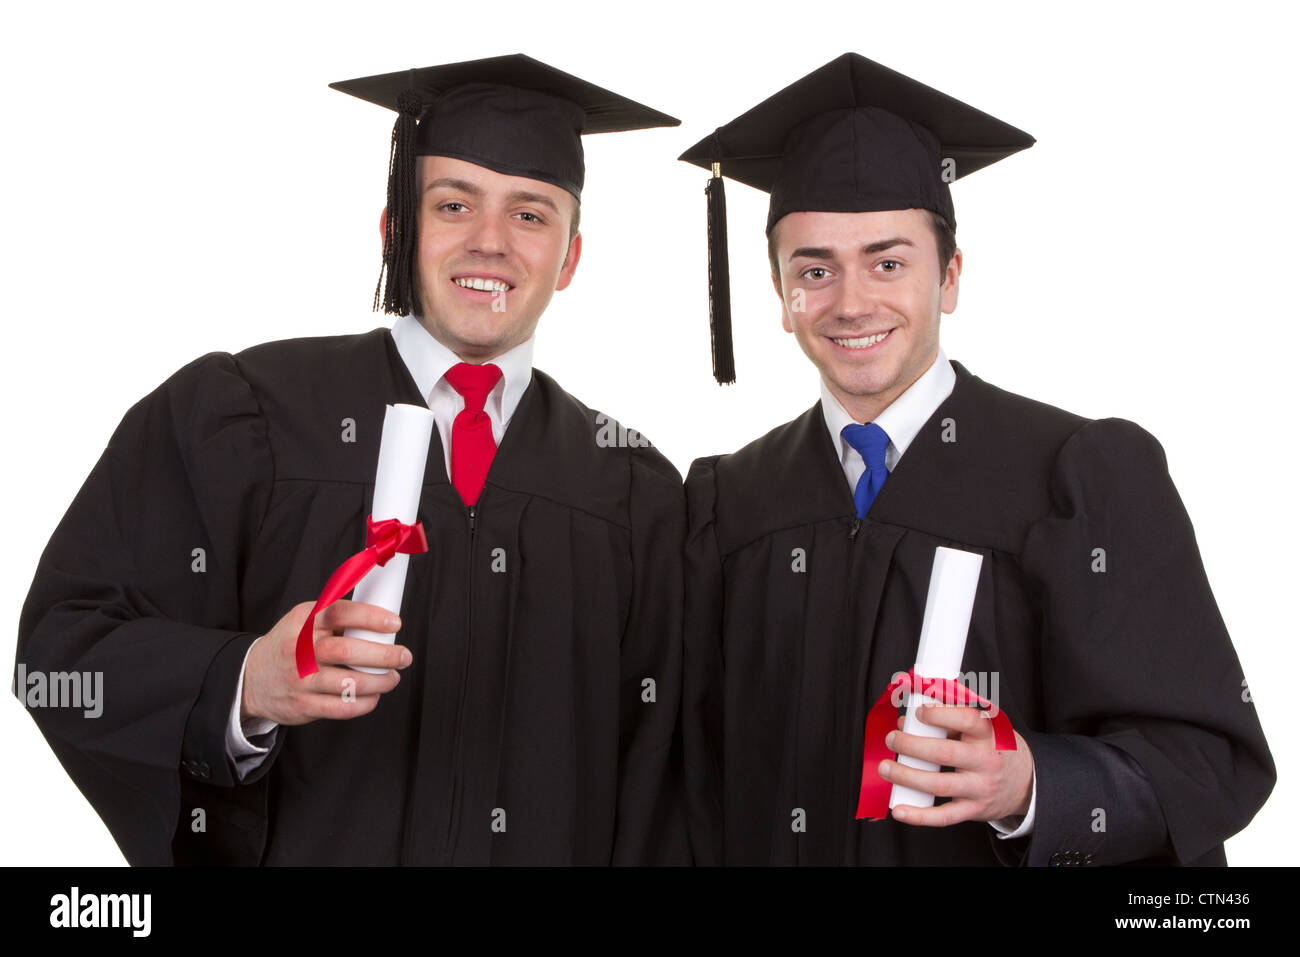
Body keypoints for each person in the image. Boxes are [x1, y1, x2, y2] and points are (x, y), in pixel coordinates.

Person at [15, 54, 689, 866]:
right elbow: (63, 649)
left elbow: (658, 784)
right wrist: (245, 681)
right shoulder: (246, 414)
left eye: (531, 215)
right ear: (395, 230)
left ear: (571, 258)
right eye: (453, 203)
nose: (490, 242)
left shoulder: (629, 490)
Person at [678, 52, 1275, 865]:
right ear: (782, 297)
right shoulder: (729, 501)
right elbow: (693, 778)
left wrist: (1032, 786)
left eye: (889, 262)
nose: (851, 301)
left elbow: (1209, 760)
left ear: (950, 276)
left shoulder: (1079, 474)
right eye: (814, 270)